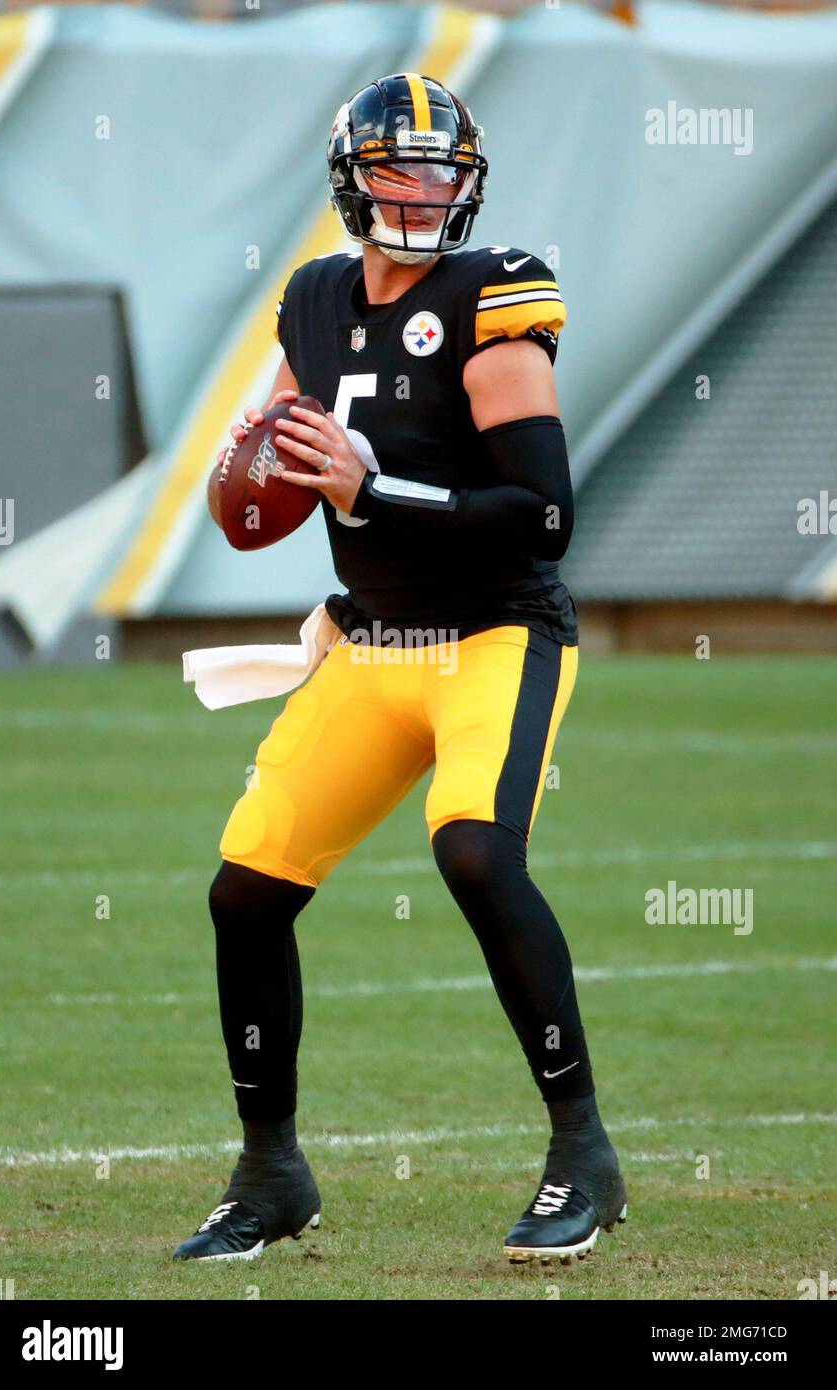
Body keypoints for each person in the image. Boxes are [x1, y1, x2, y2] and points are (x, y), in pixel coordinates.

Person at [174, 72, 627, 1265]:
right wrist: (255, 469)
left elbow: (541, 516)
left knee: (474, 845)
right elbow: (271, 460)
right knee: (246, 888)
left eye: (440, 173)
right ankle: (269, 1171)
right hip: (372, 641)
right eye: (395, 170)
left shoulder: (492, 294)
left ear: (468, 189)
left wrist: (374, 488)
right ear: (349, 180)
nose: (419, 193)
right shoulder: (315, 300)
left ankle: (581, 1152)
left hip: (496, 635)